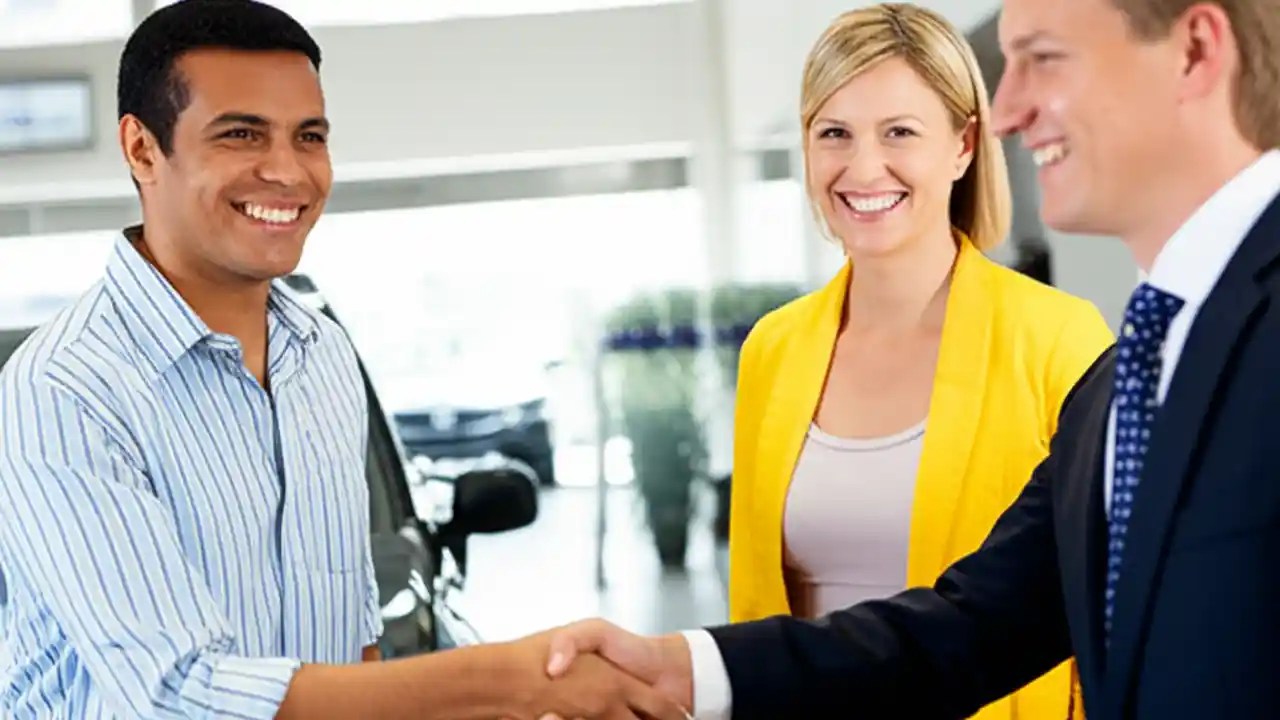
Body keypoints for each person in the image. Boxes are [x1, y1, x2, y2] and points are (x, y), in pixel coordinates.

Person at [542, 0, 1280, 717]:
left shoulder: (1077, 345)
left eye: (1044, 58)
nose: (1009, 109)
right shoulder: (1140, 367)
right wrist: (691, 672)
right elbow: (975, 623)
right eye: (833, 132)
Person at [0, 2, 686, 719]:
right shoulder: (65, 389)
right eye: (241, 134)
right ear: (143, 150)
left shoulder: (321, 357)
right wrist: (511, 681)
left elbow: (353, 635)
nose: (288, 172)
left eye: (310, 136)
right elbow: (179, 697)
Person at [723, 5, 1110, 719]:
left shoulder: (1059, 340)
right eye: (833, 133)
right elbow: (756, 611)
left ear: (964, 145)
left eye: (899, 131)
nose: (863, 167)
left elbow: (1097, 612)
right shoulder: (771, 353)